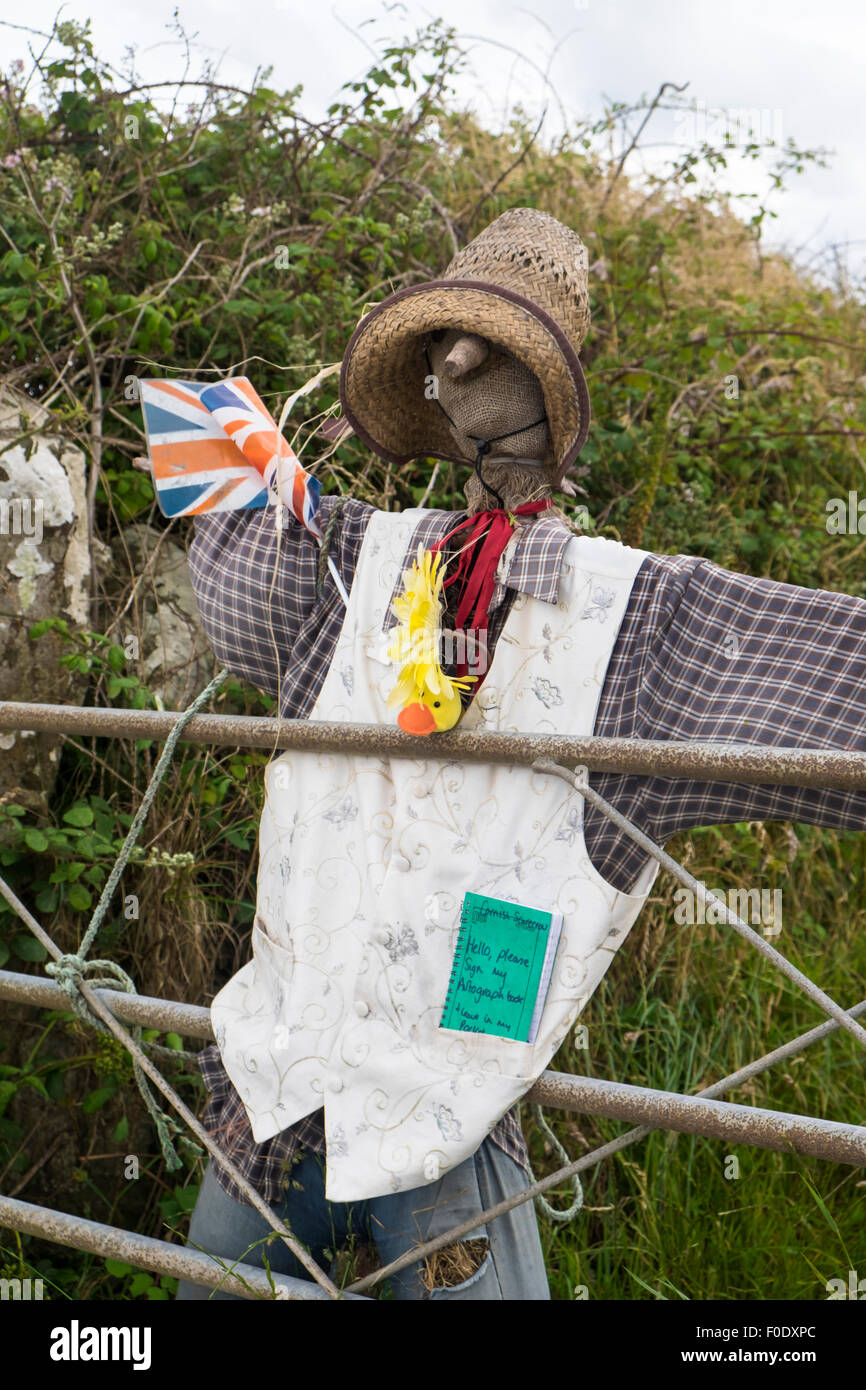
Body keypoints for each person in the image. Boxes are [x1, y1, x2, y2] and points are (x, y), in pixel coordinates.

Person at [175, 208, 866, 1301]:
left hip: (450, 1114)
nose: (451, 361)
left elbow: (831, 684)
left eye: (489, 344)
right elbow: (233, 598)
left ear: (550, 388)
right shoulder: (353, 561)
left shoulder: (640, 625)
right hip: (274, 1080)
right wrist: (224, 456)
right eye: (440, 344)